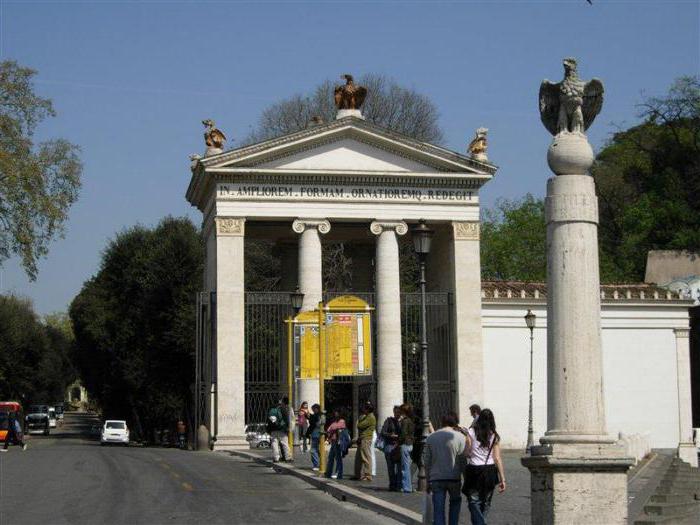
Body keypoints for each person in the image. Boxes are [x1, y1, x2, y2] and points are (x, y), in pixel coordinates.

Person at [461, 408, 506, 525]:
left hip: (474, 469)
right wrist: (502, 479)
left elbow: (467, 453)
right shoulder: (494, 435)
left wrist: (471, 452)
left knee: (473, 501)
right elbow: (497, 458)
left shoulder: (471, 432)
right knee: (485, 502)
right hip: (490, 470)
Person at [423, 412, 466, 525]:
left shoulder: (431, 437)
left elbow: (427, 462)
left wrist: (427, 480)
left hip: (436, 478)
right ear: (455, 422)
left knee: (438, 509)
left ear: (442, 422)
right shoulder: (460, 437)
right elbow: (463, 461)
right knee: (455, 504)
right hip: (454, 477)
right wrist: (465, 478)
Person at [380, 405, 402, 491]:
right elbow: (382, 432)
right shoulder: (389, 421)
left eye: (399, 413)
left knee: (399, 467)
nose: (398, 414)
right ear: (394, 412)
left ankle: (398, 484)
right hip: (389, 445)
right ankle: (392, 485)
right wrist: (390, 435)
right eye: (396, 412)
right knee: (391, 467)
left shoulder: (402, 422)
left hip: (398, 446)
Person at [353, 402, 376, 481]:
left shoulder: (370, 417)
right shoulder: (366, 416)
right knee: (358, 458)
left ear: (368, 409)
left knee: (366, 457)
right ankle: (357, 474)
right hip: (362, 438)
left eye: (365, 408)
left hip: (366, 438)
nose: (363, 410)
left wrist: (360, 420)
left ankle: (368, 475)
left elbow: (360, 425)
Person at [268, 397, 291, 463]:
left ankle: (276, 458)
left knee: (274, 444)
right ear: (279, 401)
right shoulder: (282, 408)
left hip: (273, 429)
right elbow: (286, 418)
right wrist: (287, 427)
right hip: (281, 428)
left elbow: (268, 420)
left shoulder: (270, 408)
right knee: (284, 443)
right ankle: (287, 457)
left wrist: (269, 429)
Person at [325, 409, 346, 479]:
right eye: (335, 413)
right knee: (331, 457)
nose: (335, 414)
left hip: (338, 441)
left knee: (338, 458)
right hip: (333, 441)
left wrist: (332, 428)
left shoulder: (342, 421)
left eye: (337, 413)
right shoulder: (334, 421)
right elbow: (329, 429)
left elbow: (334, 427)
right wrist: (331, 429)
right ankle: (328, 473)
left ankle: (339, 473)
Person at [399, 403, 416, 493]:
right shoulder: (411, 420)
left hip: (405, 444)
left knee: (404, 467)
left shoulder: (405, 421)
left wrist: (399, 440)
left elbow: (403, 434)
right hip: (410, 444)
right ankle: (408, 486)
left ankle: (406, 487)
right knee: (407, 466)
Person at [306, 403, 322, 471]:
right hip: (319, 434)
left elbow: (314, 423)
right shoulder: (320, 415)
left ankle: (316, 465)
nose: (313, 411)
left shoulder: (317, 416)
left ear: (316, 409)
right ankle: (321, 463)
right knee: (317, 450)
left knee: (313, 450)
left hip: (315, 433)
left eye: (313, 409)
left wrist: (309, 417)